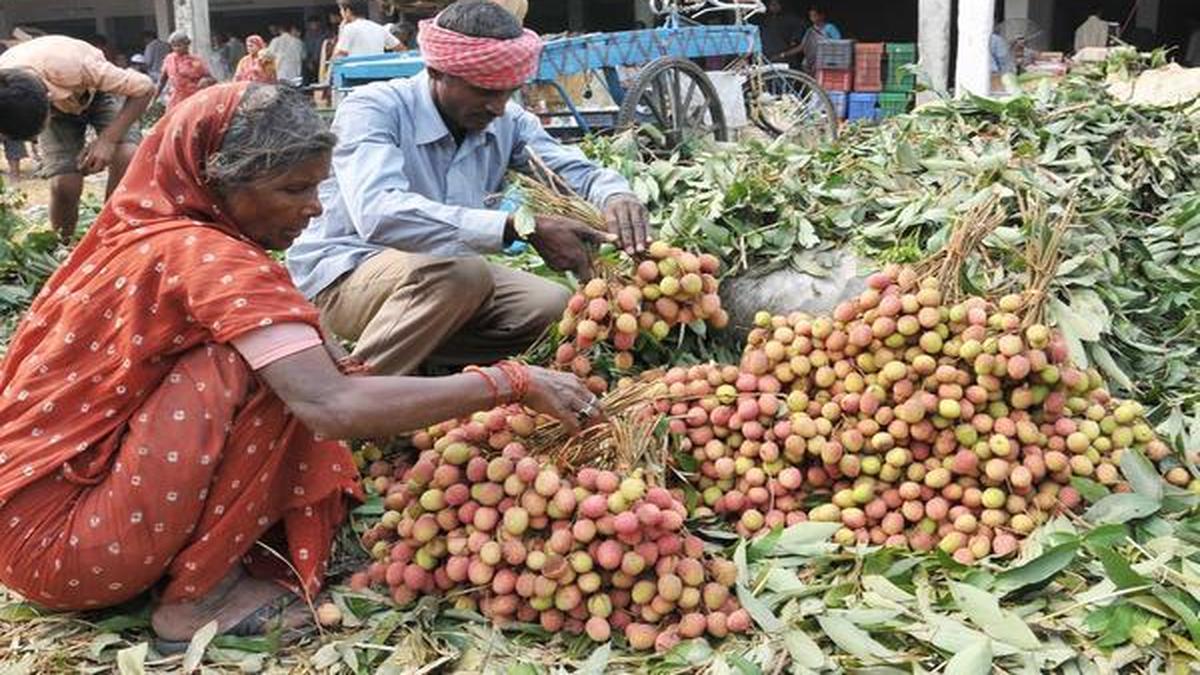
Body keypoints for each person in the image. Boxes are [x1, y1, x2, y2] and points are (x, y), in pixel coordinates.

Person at [0, 81, 599, 647]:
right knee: (270, 374)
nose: (314, 209)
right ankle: (198, 601)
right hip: (72, 551)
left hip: (23, 524)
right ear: (219, 179)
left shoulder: (142, 230)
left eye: (317, 187)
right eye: (293, 190)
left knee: (282, 355)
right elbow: (331, 405)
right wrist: (507, 382)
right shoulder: (211, 258)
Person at [287, 0, 650, 377]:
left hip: (442, 281)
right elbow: (379, 214)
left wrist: (615, 195)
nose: (497, 107)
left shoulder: (506, 120)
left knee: (553, 306)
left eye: (508, 92)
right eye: (484, 92)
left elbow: (568, 169)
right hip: (347, 274)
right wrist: (516, 226)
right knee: (460, 273)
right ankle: (359, 403)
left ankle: (433, 372)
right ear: (436, 71)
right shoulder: (375, 109)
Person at [0, 35, 155, 241]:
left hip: (95, 90)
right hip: (38, 95)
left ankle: (111, 230)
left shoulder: (81, 66)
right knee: (65, 184)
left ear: (48, 101)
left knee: (126, 155)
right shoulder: (8, 96)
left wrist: (107, 140)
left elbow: (145, 88)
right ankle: (64, 246)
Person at [157, 31, 215, 110]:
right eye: (174, 46)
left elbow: (212, 79)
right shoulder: (169, 59)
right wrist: (154, 98)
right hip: (176, 100)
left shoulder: (196, 61)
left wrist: (205, 81)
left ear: (187, 44)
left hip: (193, 99)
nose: (176, 49)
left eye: (179, 45)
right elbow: (162, 81)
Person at [332, 1, 401, 58]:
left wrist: (340, 32)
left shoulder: (349, 28)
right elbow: (400, 48)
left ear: (348, 11)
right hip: (378, 72)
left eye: (340, 10)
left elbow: (338, 55)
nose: (340, 13)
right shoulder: (378, 27)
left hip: (356, 73)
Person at [755, 0, 806, 65]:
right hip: (765, 57)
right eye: (771, 5)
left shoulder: (791, 19)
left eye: (775, 4)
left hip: (784, 58)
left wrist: (794, 40)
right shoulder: (764, 20)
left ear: (781, 4)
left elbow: (800, 38)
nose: (773, 7)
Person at [303, 18, 329, 83]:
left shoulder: (325, 34)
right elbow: (306, 49)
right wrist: (309, 61)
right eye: (311, 24)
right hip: (311, 62)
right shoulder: (307, 35)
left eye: (315, 23)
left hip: (322, 60)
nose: (313, 25)